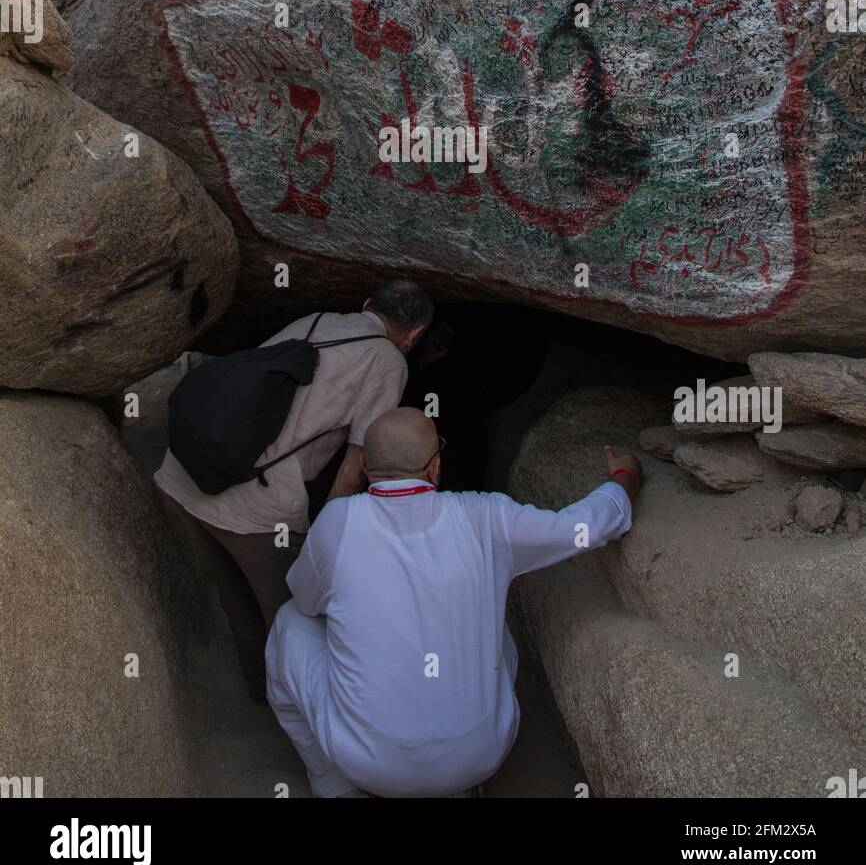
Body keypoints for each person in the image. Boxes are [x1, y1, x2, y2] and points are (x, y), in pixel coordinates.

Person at [265, 406, 642, 797]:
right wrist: (624, 478)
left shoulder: (336, 523)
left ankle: (334, 786)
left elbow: (308, 603)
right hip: (482, 755)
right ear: (435, 467)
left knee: (288, 622)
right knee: (495, 627)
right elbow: (582, 528)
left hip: (367, 764)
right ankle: (459, 781)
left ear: (363, 464)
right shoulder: (487, 516)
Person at [155, 280, 433, 700]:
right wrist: (328, 535)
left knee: (236, 598)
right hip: (254, 506)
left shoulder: (314, 320)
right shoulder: (387, 361)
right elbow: (356, 466)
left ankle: (261, 696)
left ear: (364, 304)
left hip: (185, 477)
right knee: (297, 617)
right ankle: (301, 718)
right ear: (414, 335)